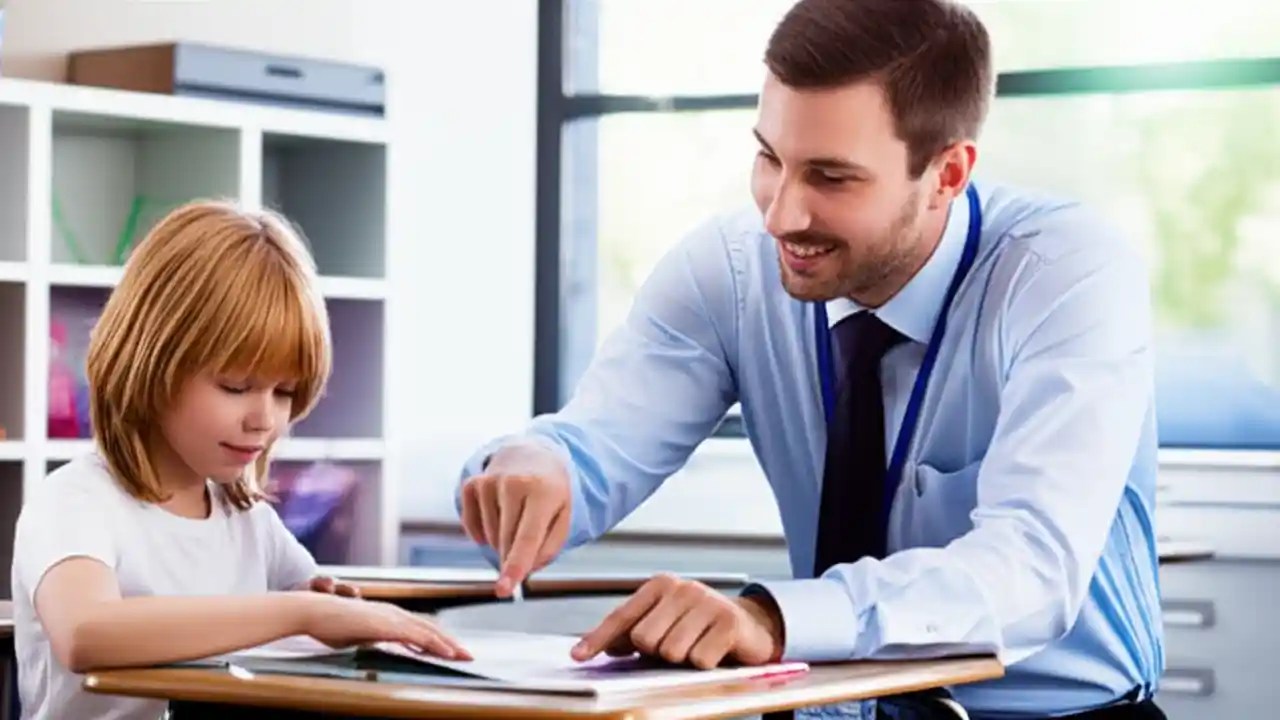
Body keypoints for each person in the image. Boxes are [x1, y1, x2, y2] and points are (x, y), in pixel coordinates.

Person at [458, 0, 1166, 718]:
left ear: (948, 173)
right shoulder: (730, 271)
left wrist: (775, 619)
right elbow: (598, 441)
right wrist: (537, 467)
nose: (780, 215)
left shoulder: (1066, 274)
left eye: (831, 177)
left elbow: (1033, 567)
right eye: (770, 158)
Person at [11, 201, 471, 720]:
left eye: (285, 392)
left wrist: (332, 611)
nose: (265, 419)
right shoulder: (75, 502)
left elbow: (312, 610)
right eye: (235, 386)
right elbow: (85, 634)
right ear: (150, 361)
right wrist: (299, 612)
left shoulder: (248, 518)